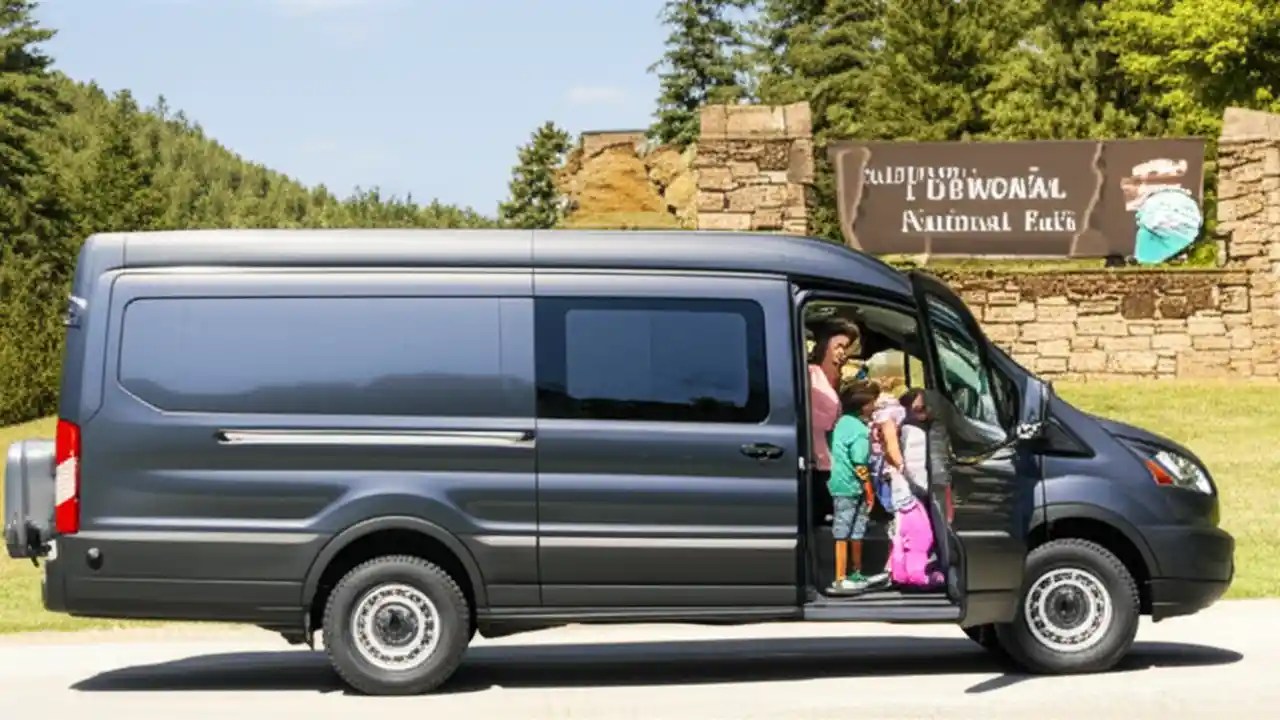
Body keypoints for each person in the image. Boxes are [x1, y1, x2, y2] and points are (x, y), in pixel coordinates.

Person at [827, 380, 880, 594]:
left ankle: (852, 574)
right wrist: (869, 489)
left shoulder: (841, 422)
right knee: (847, 530)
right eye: (872, 402)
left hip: (838, 481)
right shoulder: (859, 430)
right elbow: (860, 463)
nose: (874, 406)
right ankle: (843, 577)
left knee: (852, 528)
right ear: (862, 405)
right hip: (850, 485)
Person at [889, 388, 945, 590]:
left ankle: (903, 572)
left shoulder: (908, 426)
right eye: (920, 407)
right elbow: (914, 464)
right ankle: (918, 574)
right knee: (921, 535)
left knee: (906, 535)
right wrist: (925, 488)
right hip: (916, 491)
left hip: (910, 490)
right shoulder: (914, 429)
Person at [806, 317, 859, 528]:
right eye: (838, 346)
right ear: (824, 345)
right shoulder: (811, 376)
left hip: (828, 462)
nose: (842, 353)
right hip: (817, 462)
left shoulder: (828, 380)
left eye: (845, 348)